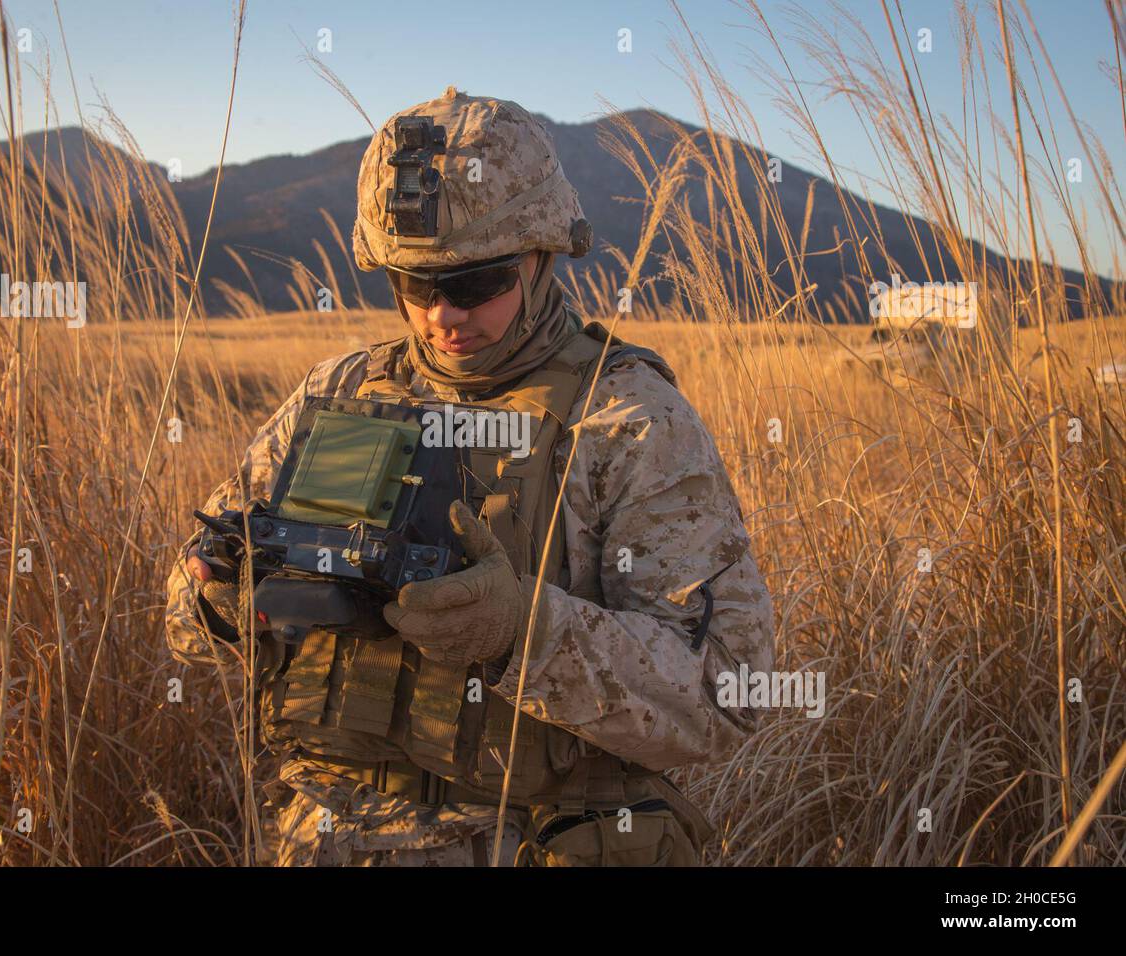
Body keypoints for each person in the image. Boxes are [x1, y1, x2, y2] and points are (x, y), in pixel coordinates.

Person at [164, 86, 774, 866]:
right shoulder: (338, 394)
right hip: (330, 840)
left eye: (477, 283)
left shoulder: (626, 421)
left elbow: (728, 692)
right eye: (416, 286)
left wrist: (525, 631)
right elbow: (190, 612)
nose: (443, 316)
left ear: (543, 255)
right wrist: (221, 601)